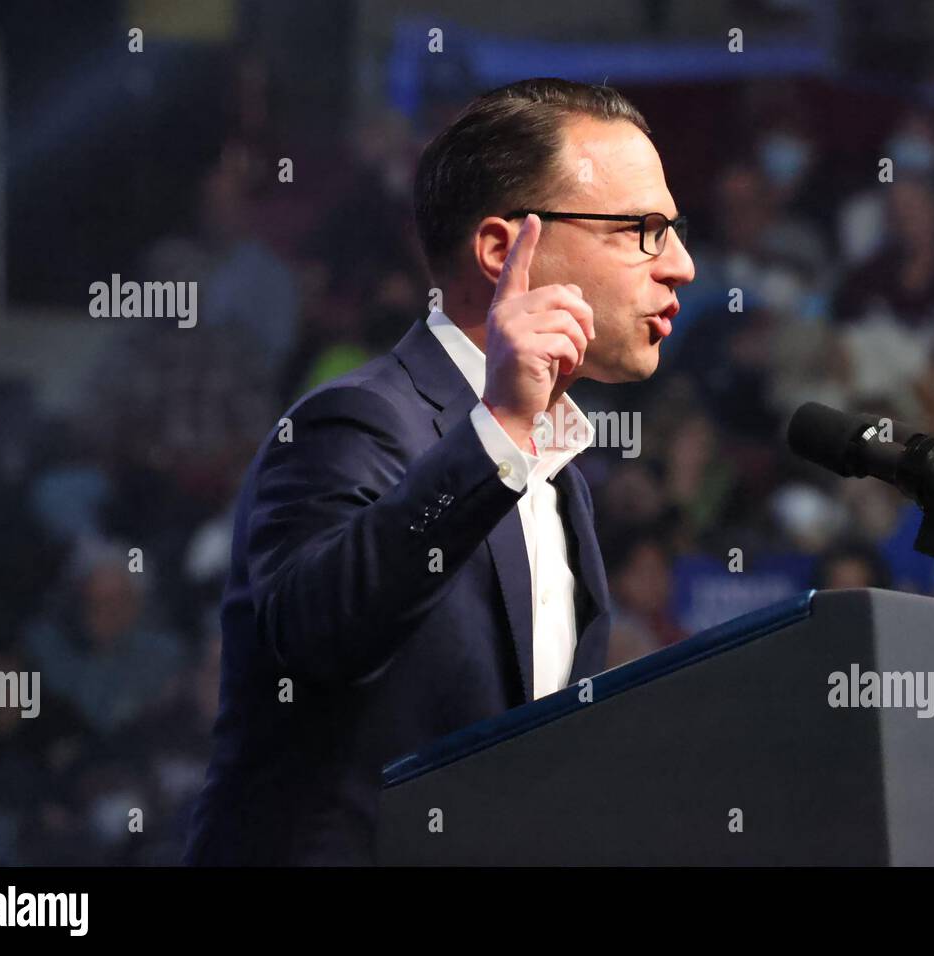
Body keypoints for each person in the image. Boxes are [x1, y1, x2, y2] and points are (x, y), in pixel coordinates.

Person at [184, 78, 695, 865]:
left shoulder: (560, 476)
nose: (682, 266)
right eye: (644, 230)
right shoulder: (353, 421)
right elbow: (315, 635)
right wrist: (496, 431)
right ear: (501, 251)